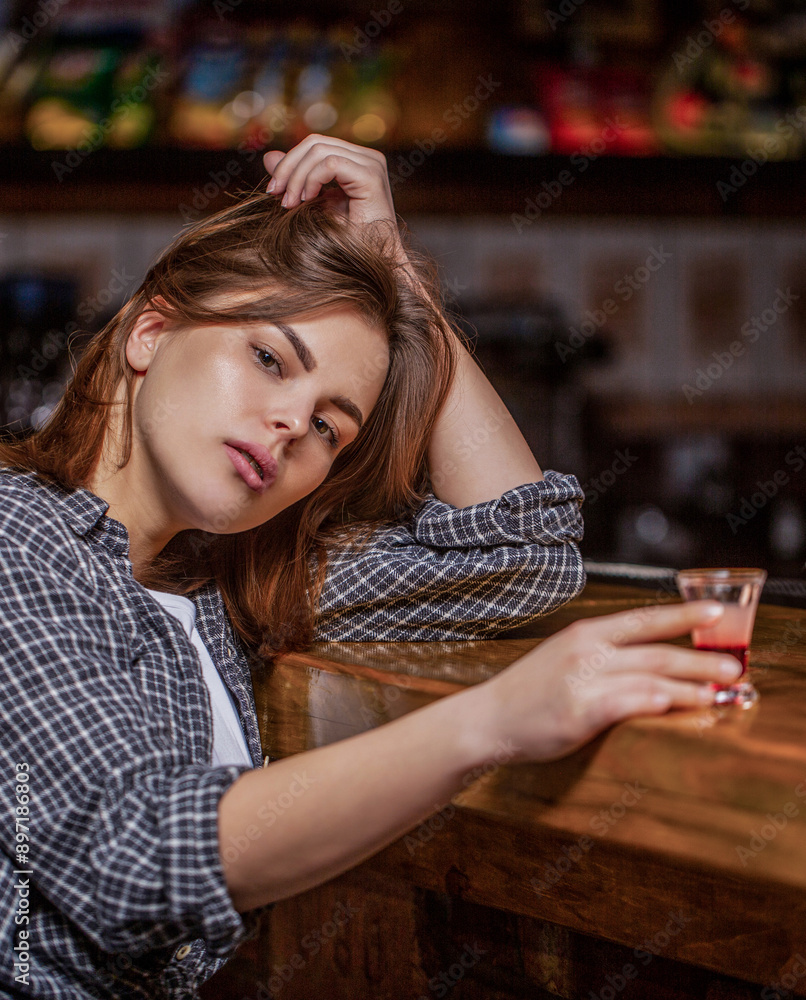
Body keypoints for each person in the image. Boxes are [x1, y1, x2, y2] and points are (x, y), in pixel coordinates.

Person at [0, 136, 741, 1000]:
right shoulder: (19, 532)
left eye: (329, 427)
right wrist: (492, 722)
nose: (288, 423)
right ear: (151, 331)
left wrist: (398, 272)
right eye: (270, 359)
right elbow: (130, 860)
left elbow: (518, 556)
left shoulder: (223, 586)